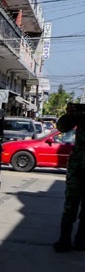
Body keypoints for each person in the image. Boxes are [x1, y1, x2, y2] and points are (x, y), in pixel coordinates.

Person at [53, 101, 85, 251]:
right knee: (71, 203)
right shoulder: (81, 115)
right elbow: (62, 128)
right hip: (77, 166)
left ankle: (81, 239)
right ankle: (64, 238)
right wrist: (69, 114)